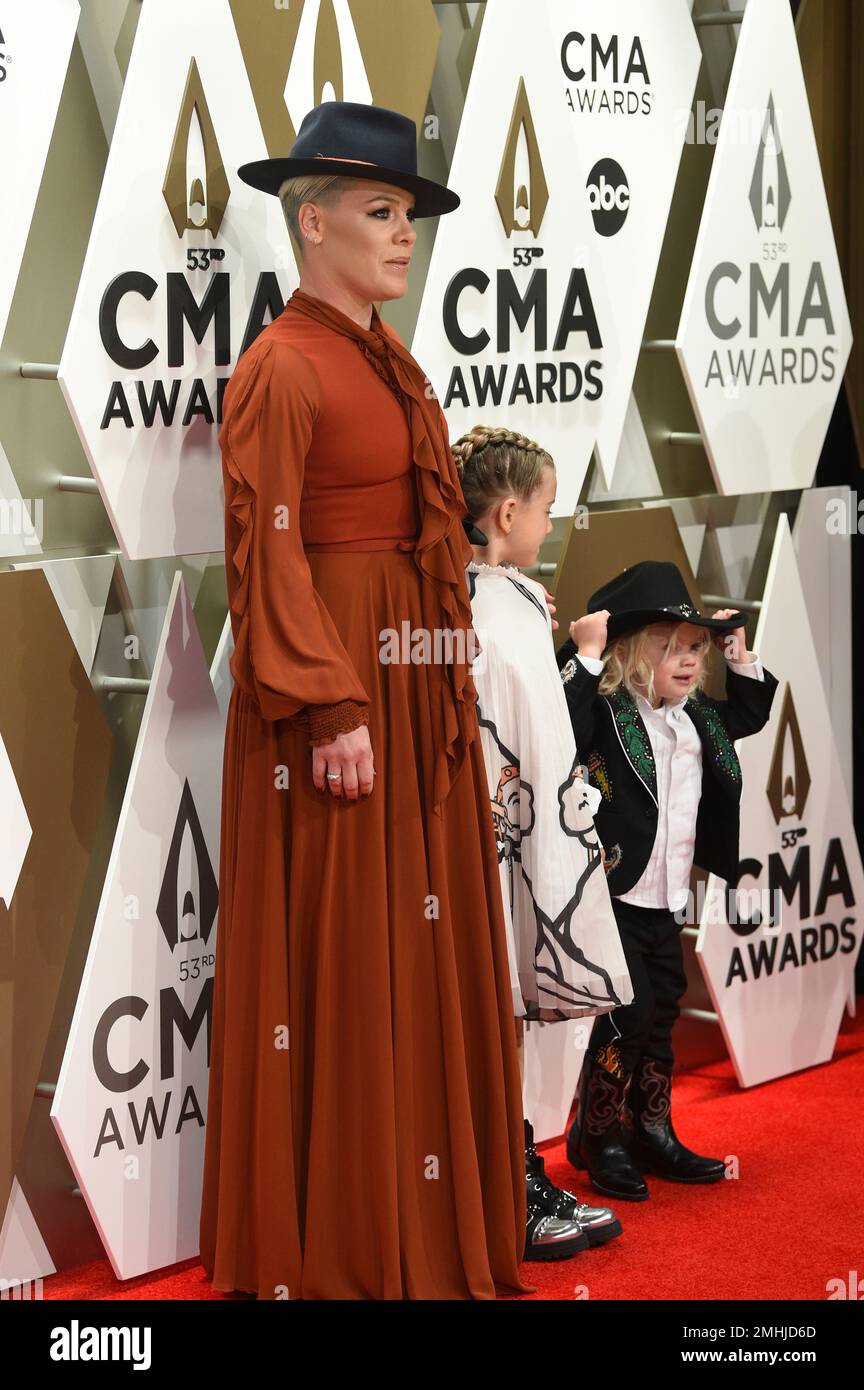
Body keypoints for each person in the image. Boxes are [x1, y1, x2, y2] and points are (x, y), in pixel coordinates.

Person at [199, 102, 531, 1299]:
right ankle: (338, 1243)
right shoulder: (280, 365)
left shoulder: (392, 359)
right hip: (333, 691)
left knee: (415, 943)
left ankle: (415, 1220)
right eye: (381, 213)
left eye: (408, 215)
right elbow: (262, 551)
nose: (402, 236)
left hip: (403, 676)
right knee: (340, 953)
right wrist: (331, 706)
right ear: (312, 218)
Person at [453, 423, 634, 1257]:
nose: (553, 527)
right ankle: (503, 1182)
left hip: (528, 838)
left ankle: (520, 1164)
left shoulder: (505, 601)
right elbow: (513, 735)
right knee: (497, 1006)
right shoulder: (481, 606)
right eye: (547, 510)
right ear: (508, 510)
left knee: (517, 1010)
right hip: (504, 844)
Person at [555, 561, 778, 1200]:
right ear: (629, 650)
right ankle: (600, 1136)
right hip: (614, 892)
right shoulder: (604, 713)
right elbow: (561, 720)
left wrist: (738, 651)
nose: (686, 661)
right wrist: (586, 652)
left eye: (695, 648)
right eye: (668, 647)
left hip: (668, 895)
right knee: (629, 1012)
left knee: (663, 1014)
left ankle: (651, 1129)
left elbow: (753, 711)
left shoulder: (698, 719)